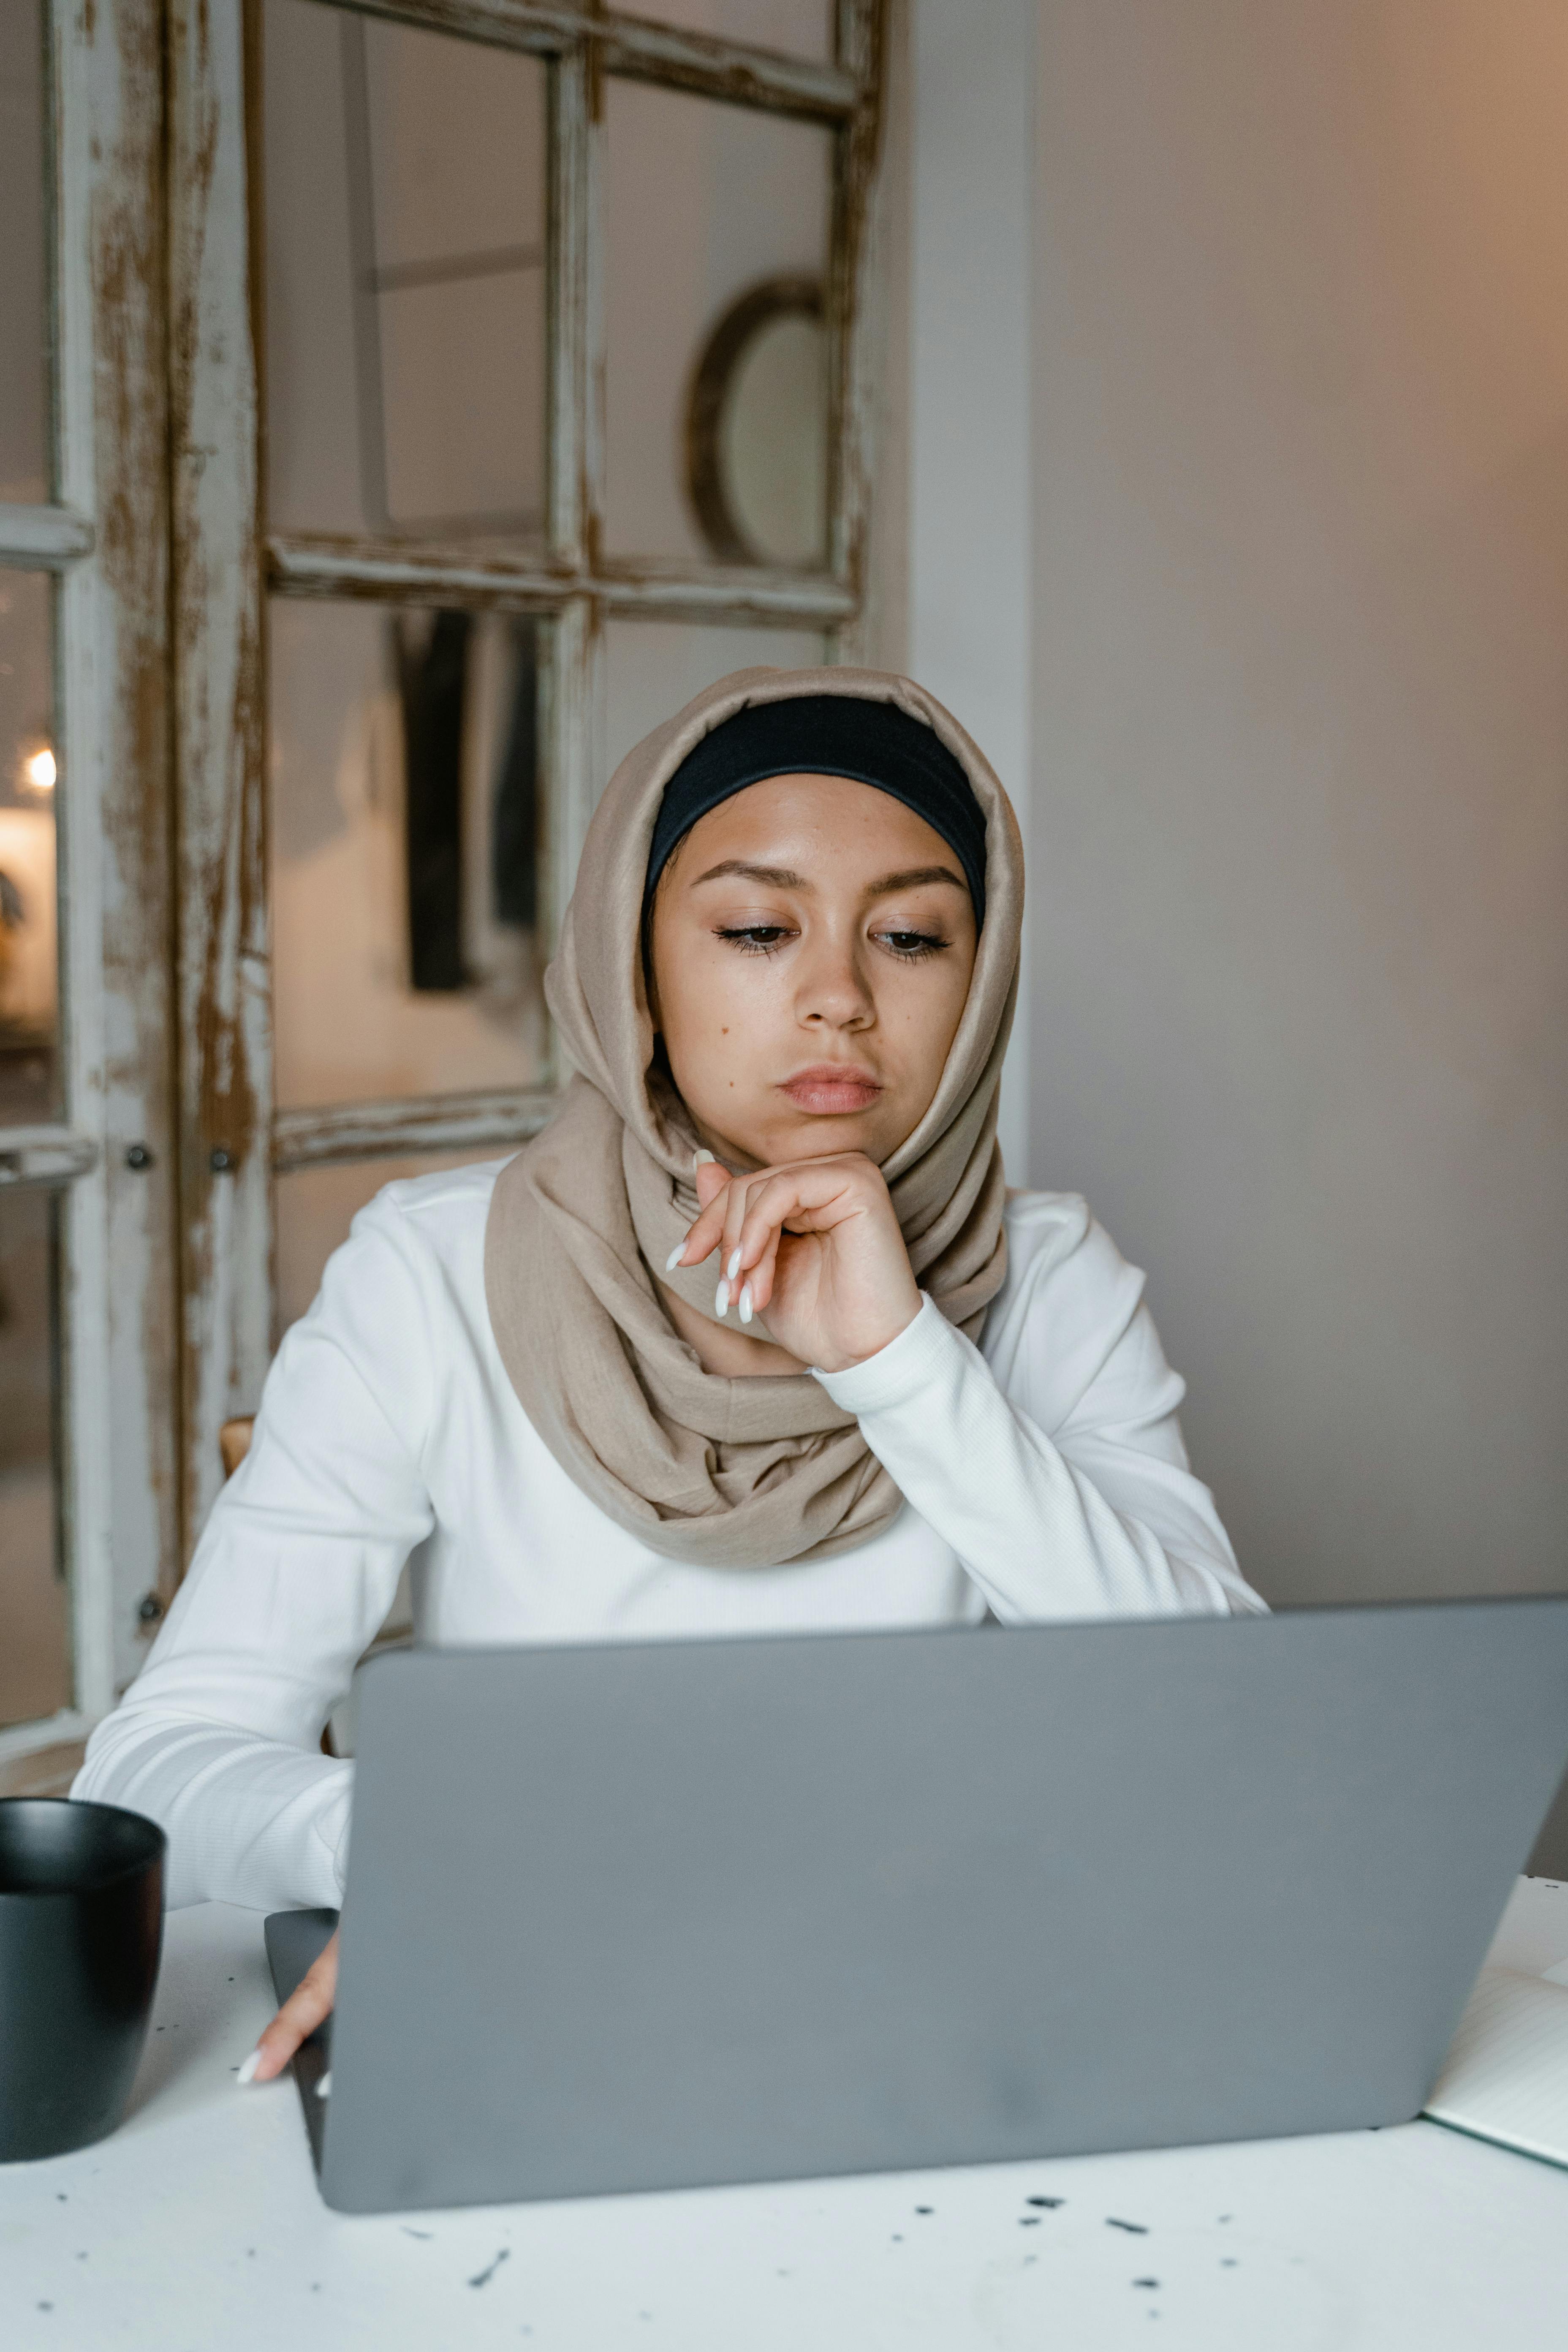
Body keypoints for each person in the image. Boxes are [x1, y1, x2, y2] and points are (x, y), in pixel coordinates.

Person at [74, 666, 1263, 2084]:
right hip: (551, 2013)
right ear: (632, 964)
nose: (837, 999)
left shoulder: (1048, 1277)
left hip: (944, 2021)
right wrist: (437, 1836)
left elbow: (1225, 1730)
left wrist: (898, 1359)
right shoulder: (438, 1270)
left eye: (912, 934)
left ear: (983, 972)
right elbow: (154, 1768)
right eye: (759, 928)